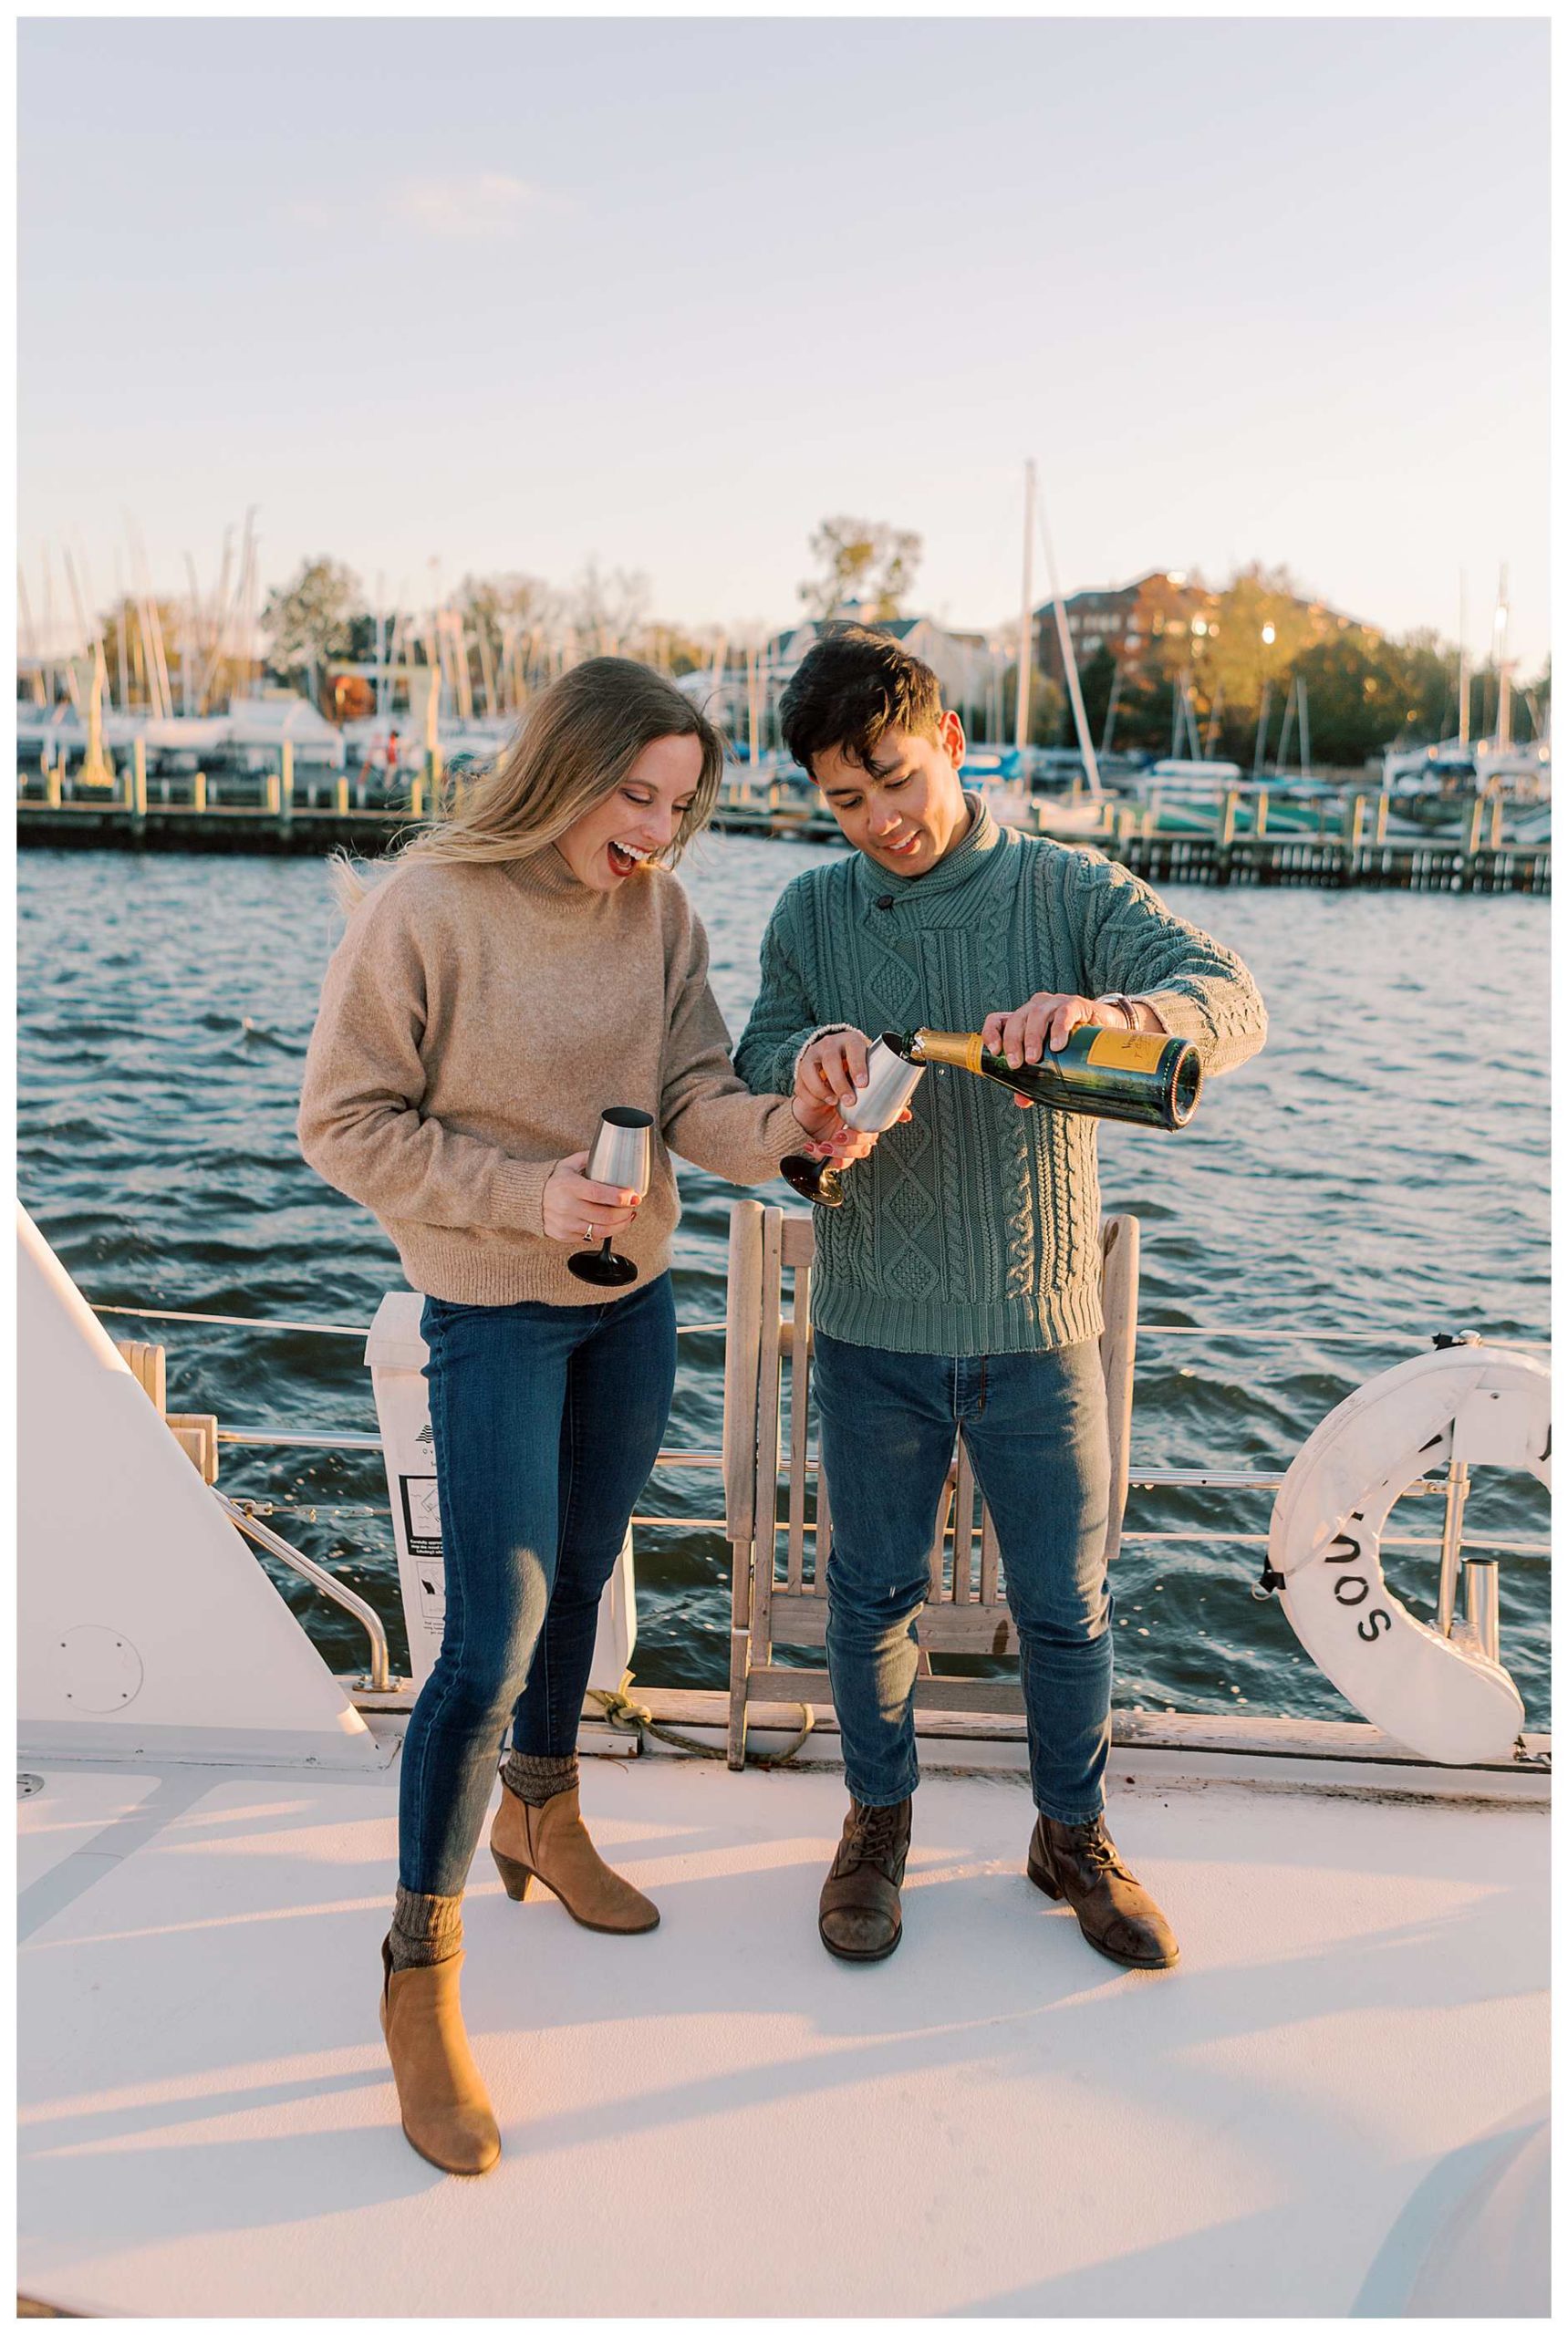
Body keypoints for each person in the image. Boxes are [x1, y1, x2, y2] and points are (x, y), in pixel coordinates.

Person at [298, 658, 867, 2176]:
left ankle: (542, 1810)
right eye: (640, 797)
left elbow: (695, 1092)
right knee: (489, 1636)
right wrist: (522, 1195)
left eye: (684, 808)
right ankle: (420, 1974)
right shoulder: (430, 907)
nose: (660, 833)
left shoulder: (661, 916)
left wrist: (797, 1131)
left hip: (630, 1311)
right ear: (569, 768)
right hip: (487, 1312)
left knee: (580, 1591)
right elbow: (341, 1122)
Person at [734, 627, 1267, 1973]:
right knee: (868, 1595)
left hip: (1040, 1331)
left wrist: (1113, 1015)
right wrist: (811, 1058)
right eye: (846, 802)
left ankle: (1070, 1832)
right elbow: (751, 1054)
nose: (882, 822)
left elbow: (1234, 999)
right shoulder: (809, 913)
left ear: (955, 744)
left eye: (898, 781)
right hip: (868, 1328)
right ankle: (877, 1821)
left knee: (1067, 1605)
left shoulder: (1065, 886)